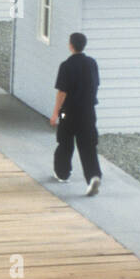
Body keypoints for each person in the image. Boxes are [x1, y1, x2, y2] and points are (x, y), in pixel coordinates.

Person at [49, 32, 102, 196]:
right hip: (88, 112)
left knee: (64, 142)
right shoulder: (92, 63)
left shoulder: (66, 66)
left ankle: (62, 173)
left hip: (68, 113)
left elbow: (62, 93)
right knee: (88, 146)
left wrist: (55, 113)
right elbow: (96, 84)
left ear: (71, 45)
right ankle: (93, 176)